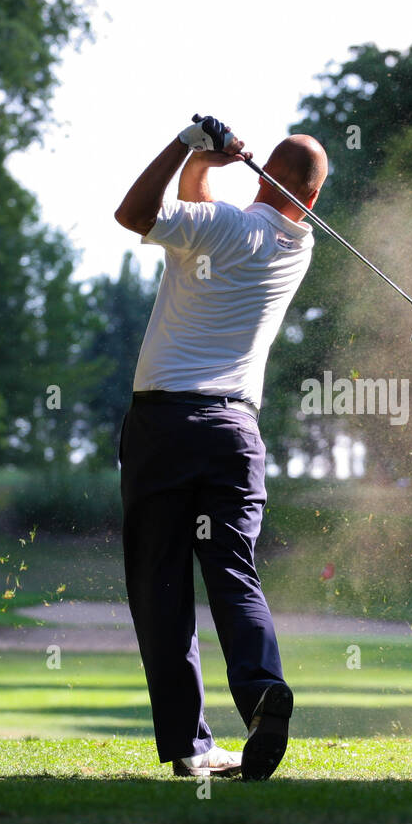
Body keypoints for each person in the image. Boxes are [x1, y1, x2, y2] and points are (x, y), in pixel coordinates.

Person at [113, 115, 328, 780]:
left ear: (266, 173)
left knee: (161, 588)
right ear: (312, 199)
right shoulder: (298, 243)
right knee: (233, 571)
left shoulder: (220, 228)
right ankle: (263, 689)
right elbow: (202, 213)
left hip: (164, 427)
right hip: (235, 433)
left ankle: (191, 745)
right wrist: (207, 164)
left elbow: (132, 214)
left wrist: (189, 145)